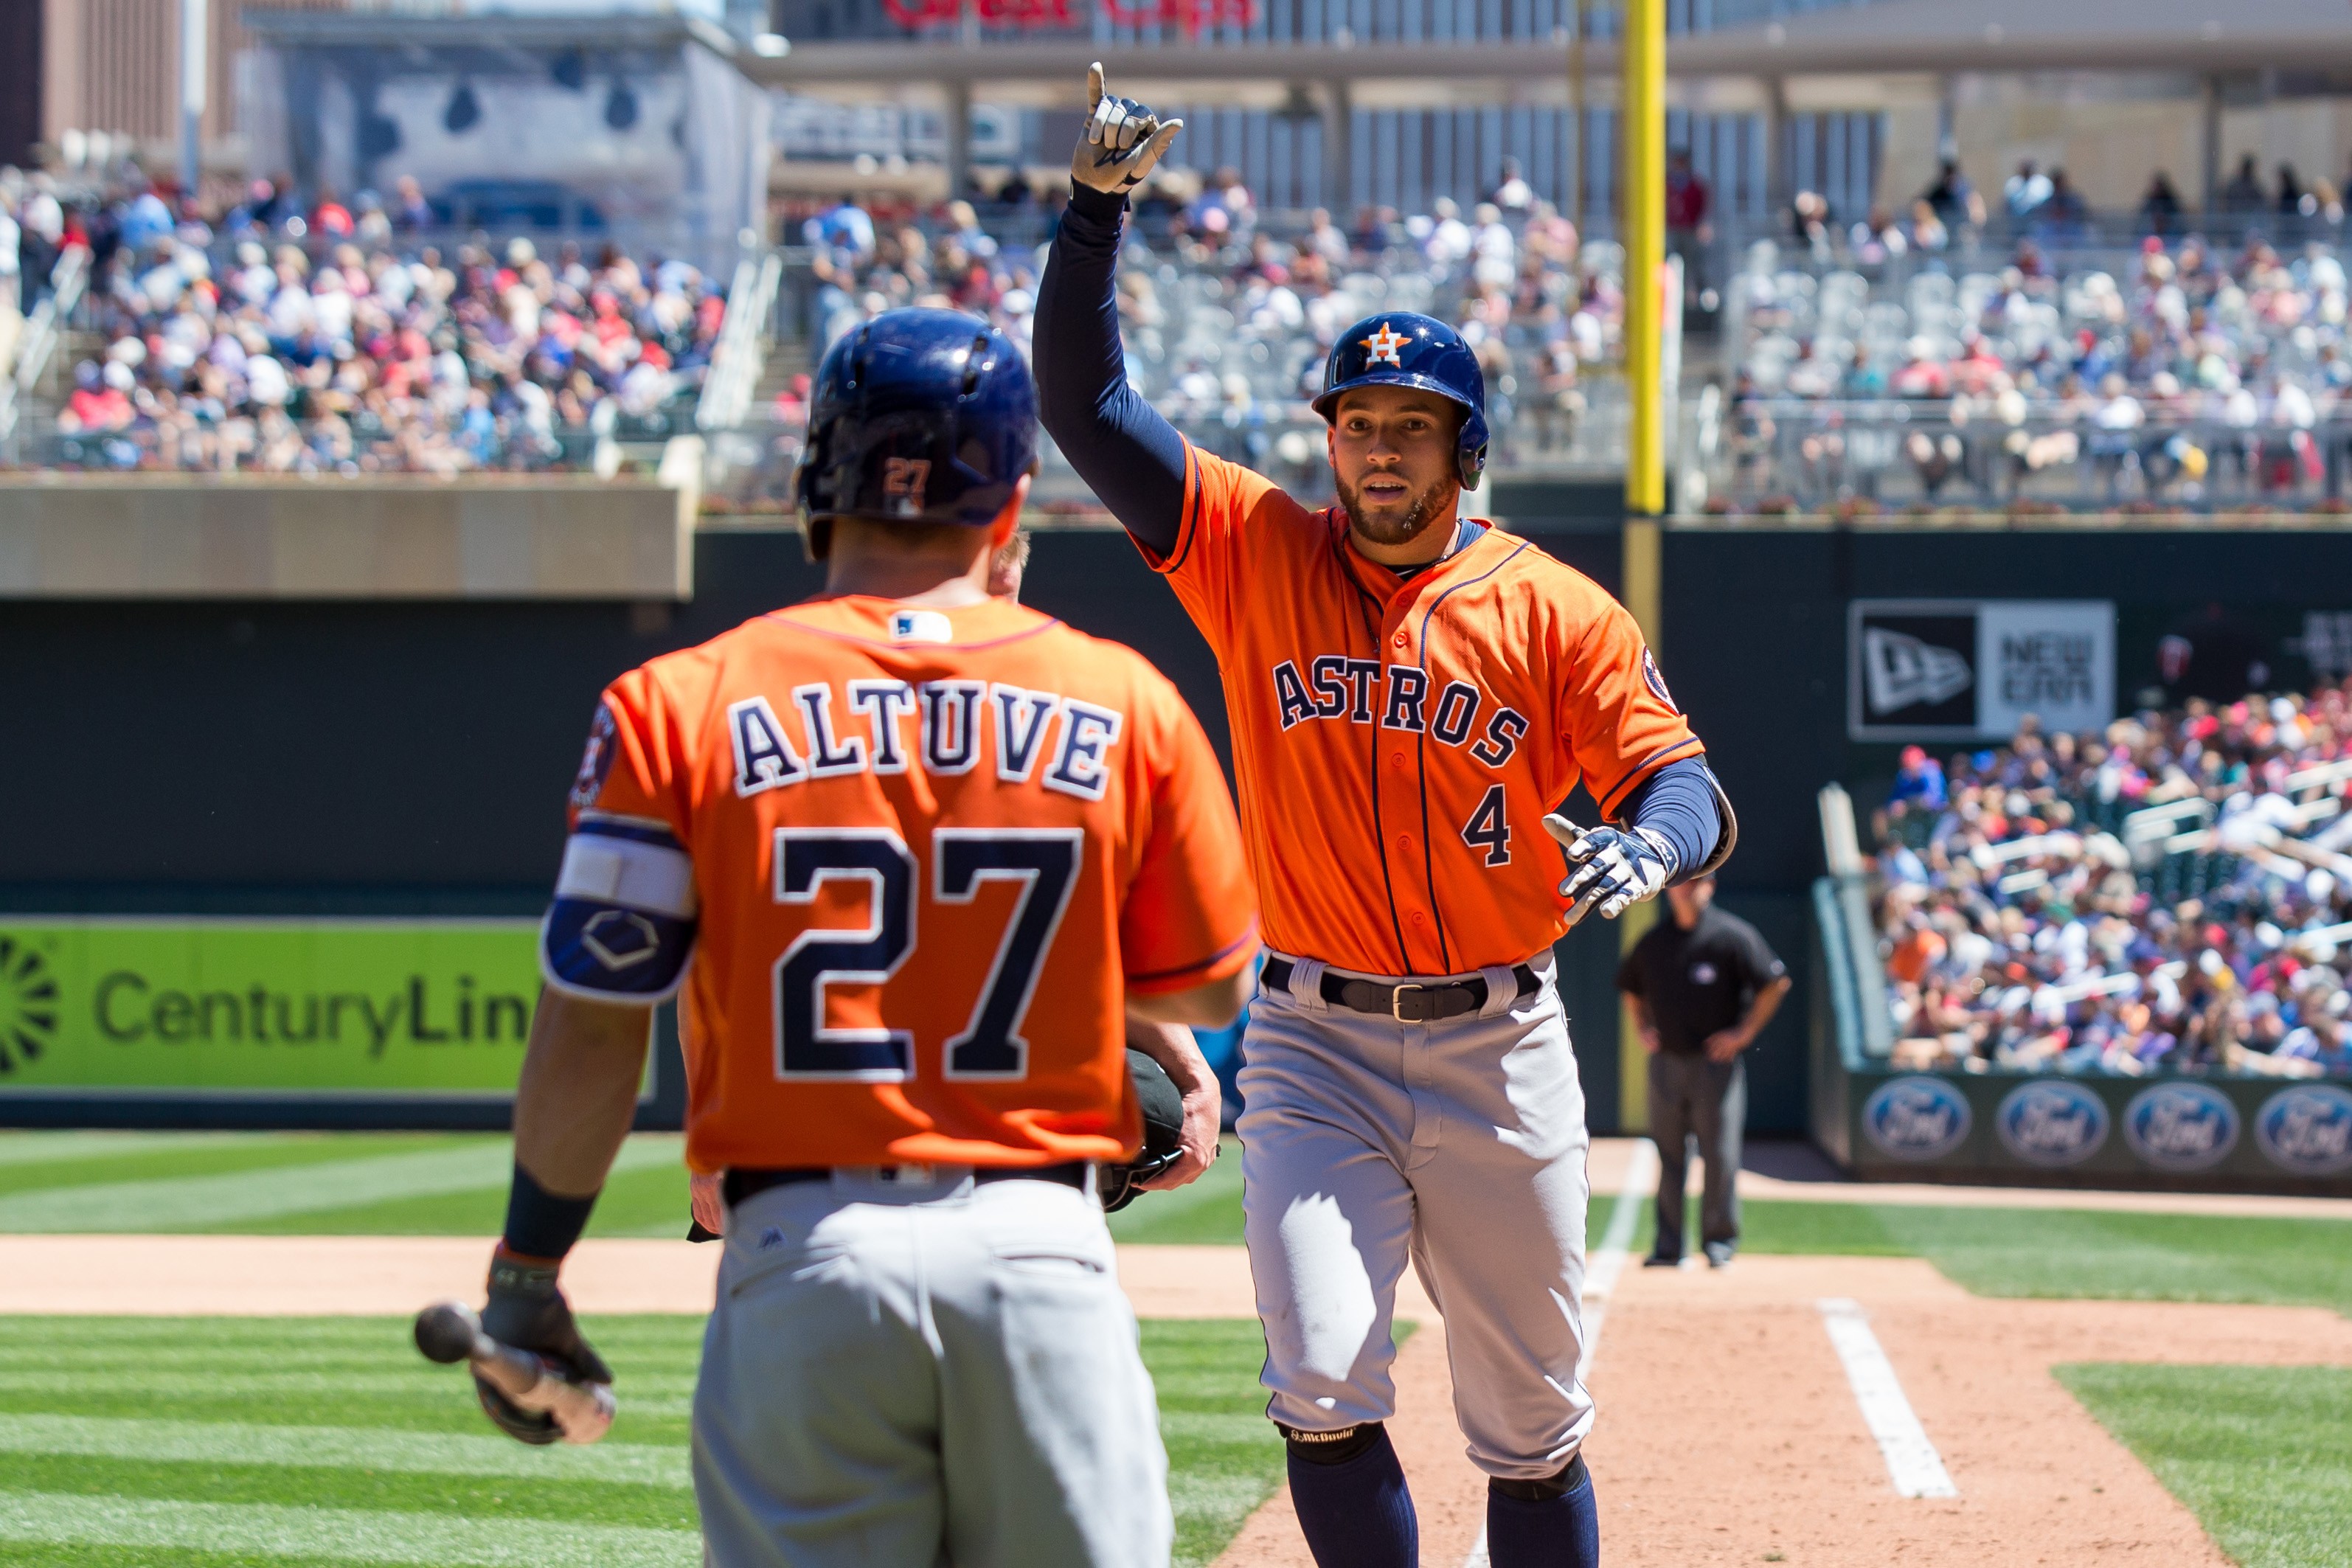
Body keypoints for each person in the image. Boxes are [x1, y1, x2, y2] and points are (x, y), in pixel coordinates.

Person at [1037, 64, 1735, 1568]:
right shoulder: (1252, 548)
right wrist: (1095, 215)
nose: (1375, 448)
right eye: (1355, 420)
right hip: (1311, 1039)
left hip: (1500, 1042)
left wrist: (1653, 841)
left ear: (1461, 449)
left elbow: (1681, 782)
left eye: (1410, 425)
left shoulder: (1551, 609)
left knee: (1529, 1421)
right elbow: (1083, 408)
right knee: (1319, 1380)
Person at [468, 305, 1260, 1568]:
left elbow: (591, 1019)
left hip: (797, 1259)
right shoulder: (1124, 700)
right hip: (1037, 1250)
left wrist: (526, 1274)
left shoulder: (674, 703)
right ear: (1009, 509)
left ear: (813, 489)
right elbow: (1209, 976)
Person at [1615, 874, 1788, 1270]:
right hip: (1667, 1064)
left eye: (1698, 881)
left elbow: (1775, 982)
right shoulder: (1655, 942)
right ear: (1669, 888)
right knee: (1670, 1156)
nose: (1689, 889)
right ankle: (1668, 1247)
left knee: (1720, 1156)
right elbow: (1630, 986)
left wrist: (1743, 1033)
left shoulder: (1731, 936)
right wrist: (1642, 1026)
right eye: (1682, 882)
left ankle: (1719, 1244)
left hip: (1716, 1066)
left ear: (1711, 884)